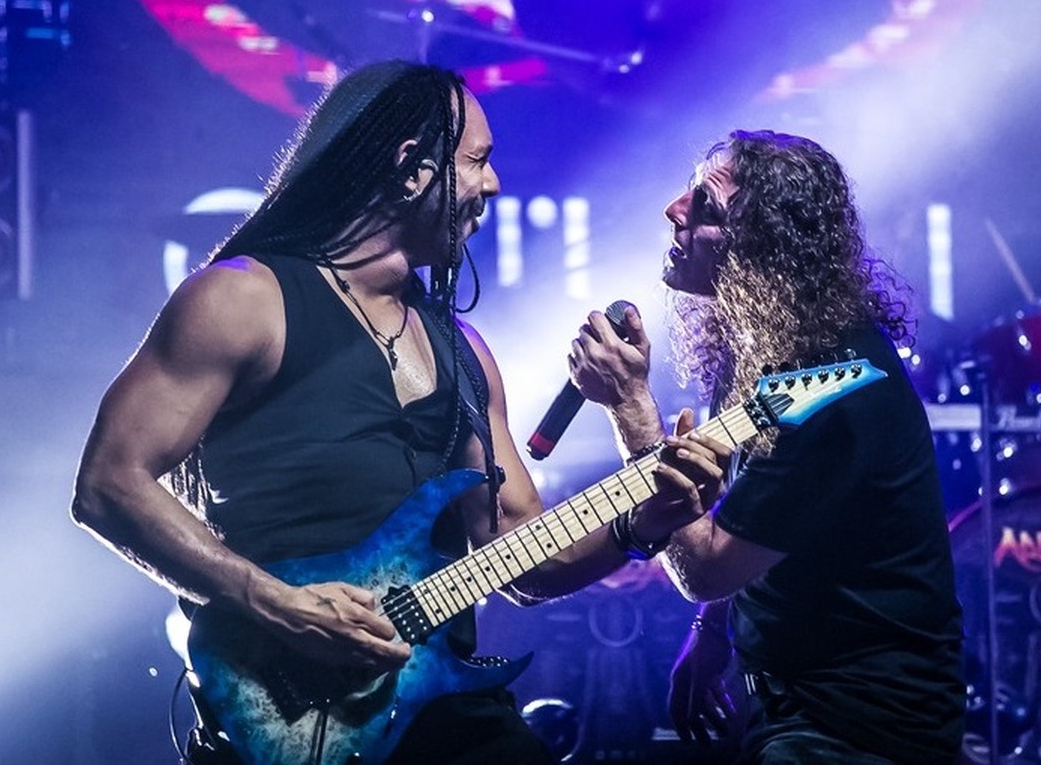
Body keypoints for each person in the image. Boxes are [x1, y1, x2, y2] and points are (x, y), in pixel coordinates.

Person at [71, 60, 722, 765]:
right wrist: (275, 603)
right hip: (283, 713)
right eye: (477, 161)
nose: (494, 185)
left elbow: (524, 555)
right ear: (413, 169)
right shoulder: (243, 299)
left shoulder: (463, 350)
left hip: (442, 712)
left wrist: (645, 523)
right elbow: (110, 484)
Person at [569, 130, 966, 764]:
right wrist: (714, 633)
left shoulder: (834, 387)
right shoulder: (769, 349)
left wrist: (630, 408)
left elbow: (705, 568)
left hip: (859, 731)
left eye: (705, 204)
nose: (675, 210)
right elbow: (754, 520)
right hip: (794, 708)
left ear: (761, 247)